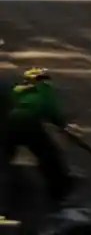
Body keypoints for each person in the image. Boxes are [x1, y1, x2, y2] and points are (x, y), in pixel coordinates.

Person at [3, 68, 76, 210]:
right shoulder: (45, 91)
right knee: (48, 156)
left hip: (8, 124)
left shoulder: (17, 89)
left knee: (6, 154)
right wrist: (63, 126)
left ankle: (11, 180)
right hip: (28, 124)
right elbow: (53, 111)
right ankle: (59, 192)